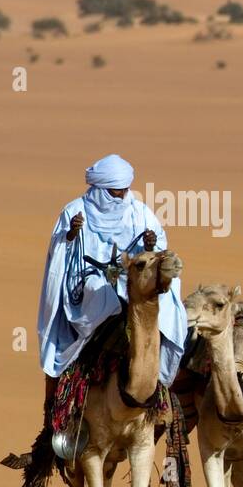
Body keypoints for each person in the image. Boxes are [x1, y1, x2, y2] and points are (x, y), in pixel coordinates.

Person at [37, 154, 187, 405]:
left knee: (169, 307)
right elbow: (59, 251)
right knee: (103, 293)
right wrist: (71, 233)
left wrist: (150, 245)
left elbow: (158, 247)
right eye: (114, 193)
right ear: (100, 189)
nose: (120, 198)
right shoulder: (75, 211)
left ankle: (159, 384)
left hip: (130, 278)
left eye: (124, 192)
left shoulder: (139, 212)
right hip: (87, 279)